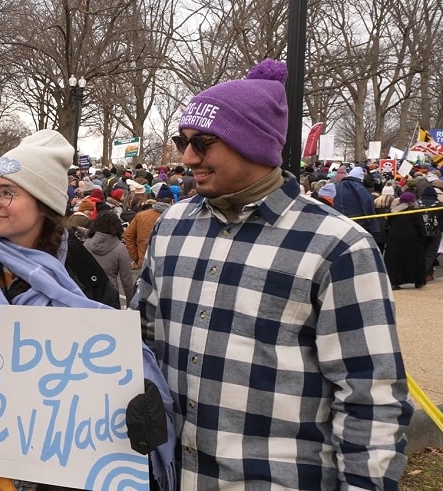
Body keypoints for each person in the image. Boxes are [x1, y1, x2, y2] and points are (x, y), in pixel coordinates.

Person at [132, 59, 411, 488]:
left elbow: (370, 399)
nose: (187, 157)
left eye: (202, 142)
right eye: (182, 141)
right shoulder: (171, 225)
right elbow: (140, 344)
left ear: (253, 143)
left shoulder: (339, 245)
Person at [0, 130, 171, 490]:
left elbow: (111, 370)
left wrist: (136, 404)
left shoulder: (82, 275)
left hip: (53, 468)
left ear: (43, 203)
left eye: (7, 192)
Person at [83, 210, 134, 307]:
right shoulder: (120, 248)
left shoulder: (86, 244)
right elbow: (126, 281)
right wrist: (130, 304)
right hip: (111, 294)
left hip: (90, 293)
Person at [384, 192, 427, 289]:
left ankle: (393, 281)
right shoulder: (414, 212)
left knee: (394, 260)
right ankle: (419, 281)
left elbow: (387, 226)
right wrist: (423, 238)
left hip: (394, 238)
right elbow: (420, 226)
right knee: (416, 259)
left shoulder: (393, 212)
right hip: (412, 238)